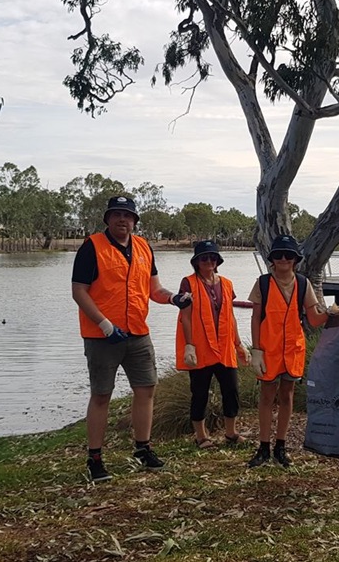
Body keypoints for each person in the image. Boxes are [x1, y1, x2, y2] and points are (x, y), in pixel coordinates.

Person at [71, 195, 192, 483]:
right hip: (102, 336)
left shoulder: (143, 248)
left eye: (127, 215)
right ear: (108, 219)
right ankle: (95, 459)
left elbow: (154, 290)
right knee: (101, 395)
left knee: (146, 389)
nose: (122, 219)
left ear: (135, 221)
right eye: (116, 214)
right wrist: (104, 325)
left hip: (138, 332)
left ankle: (143, 448)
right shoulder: (92, 247)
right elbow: (79, 291)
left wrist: (174, 298)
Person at [247, 235, 332, 468]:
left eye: (288, 255)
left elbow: (314, 319)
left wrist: (333, 313)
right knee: (266, 397)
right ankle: (263, 447)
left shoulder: (303, 284)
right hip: (268, 350)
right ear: (272, 259)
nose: (283, 259)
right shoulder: (263, 283)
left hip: (293, 350)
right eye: (278, 254)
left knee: (287, 396)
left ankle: (281, 447)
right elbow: (255, 318)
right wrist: (256, 350)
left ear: (295, 259)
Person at [175, 240, 250, 449]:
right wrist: (189, 346)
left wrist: (238, 344)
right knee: (199, 392)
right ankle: (201, 436)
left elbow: (231, 315)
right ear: (196, 262)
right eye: (204, 258)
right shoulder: (188, 283)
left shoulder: (226, 283)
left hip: (224, 347)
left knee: (231, 390)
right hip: (200, 348)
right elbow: (186, 317)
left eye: (212, 257)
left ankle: (231, 433)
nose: (209, 261)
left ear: (218, 261)